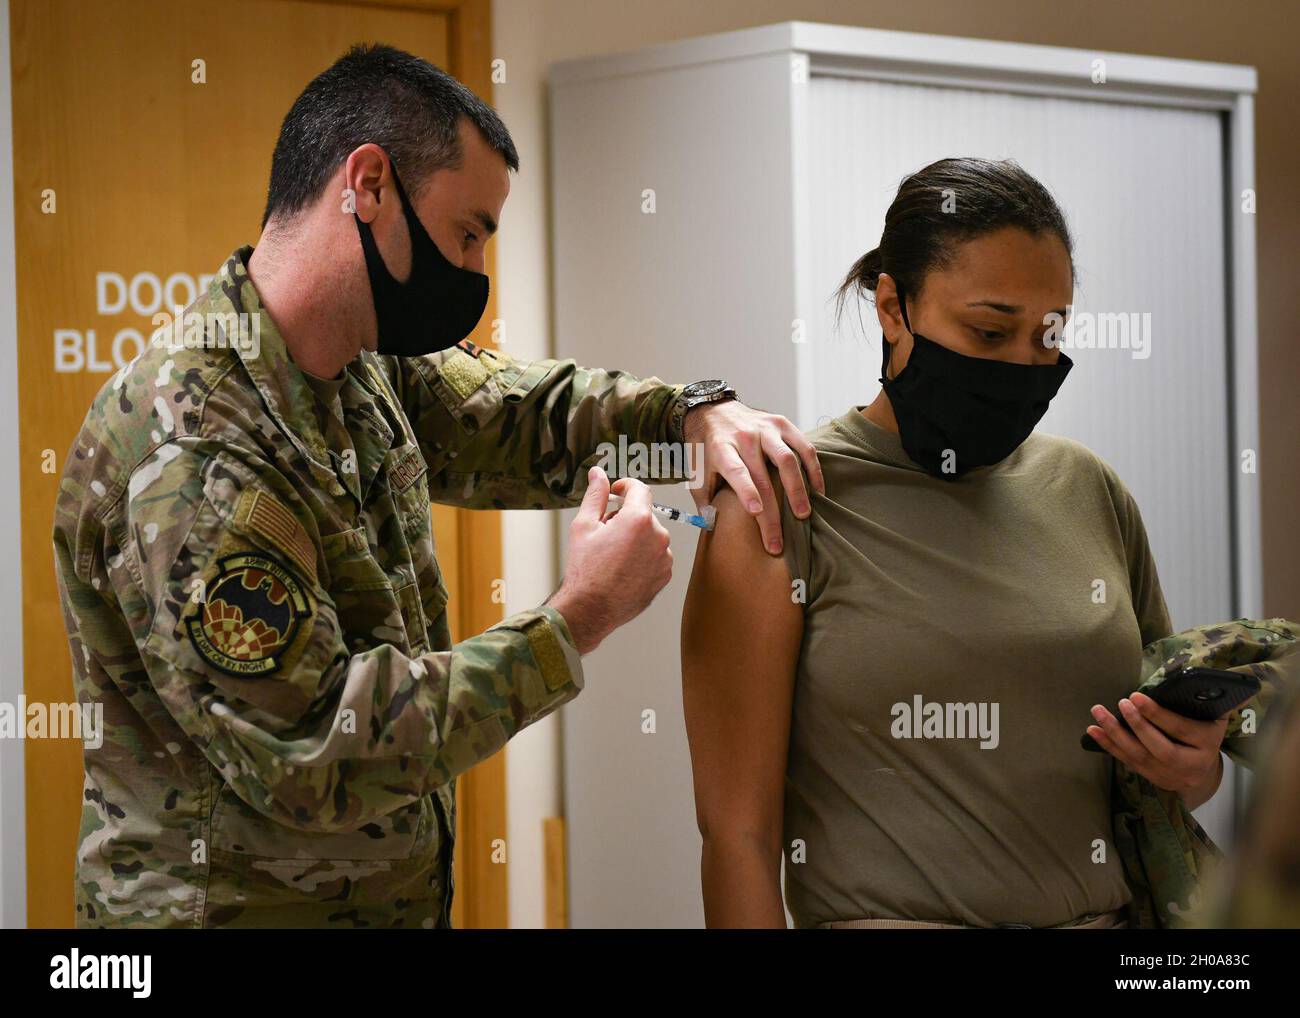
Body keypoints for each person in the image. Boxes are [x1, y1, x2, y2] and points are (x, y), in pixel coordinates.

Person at [51, 43, 822, 929]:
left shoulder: (356, 368)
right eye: (466, 234)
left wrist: (686, 422)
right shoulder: (193, 450)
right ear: (368, 186)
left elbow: (522, 418)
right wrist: (579, 619)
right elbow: (317, 752)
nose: (472, 275)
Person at [681, 157, 1229, 929]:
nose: (1024, 365)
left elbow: (1163, 775)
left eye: (1048, 336)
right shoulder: (783, 503)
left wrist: (1194, 768)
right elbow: (737, 836)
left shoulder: (1089, 490)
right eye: (988, 329)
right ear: (893, 308)